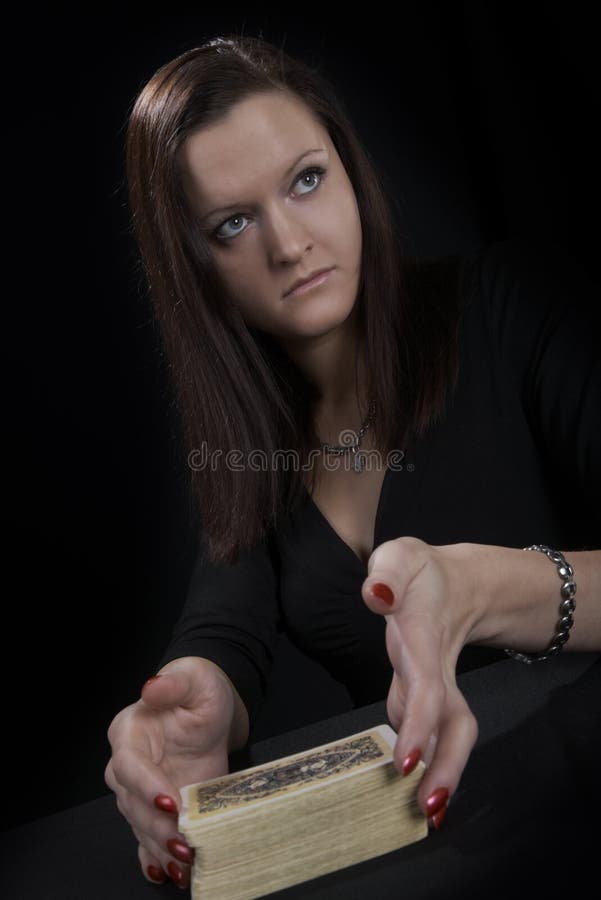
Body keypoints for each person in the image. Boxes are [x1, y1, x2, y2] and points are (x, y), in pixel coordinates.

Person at [104, 33, 601, 890]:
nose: (290, 244)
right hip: (451, 864)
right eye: (232, 223)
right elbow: (220, 631)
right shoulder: (251, 447)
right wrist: (193, 702)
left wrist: (480, 589)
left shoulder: (505, 307)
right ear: (195, 267)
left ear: (348, 165)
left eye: (305, 179)